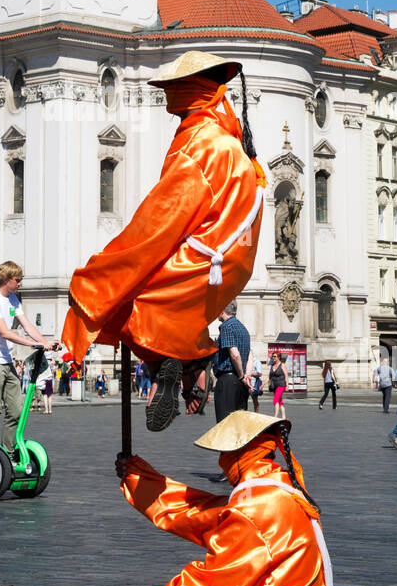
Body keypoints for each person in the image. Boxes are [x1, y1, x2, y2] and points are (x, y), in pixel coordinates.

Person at [63, 51, 266, 433]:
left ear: (192, 89)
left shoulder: (201, 144)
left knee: (125, 300)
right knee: (150, 311)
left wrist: (100, 273)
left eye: (173, 87)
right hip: (229, 265)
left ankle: (180, 363)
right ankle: (180, 364)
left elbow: (160, 221)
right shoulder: (223, 136)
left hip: (204, 258)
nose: (167, 96)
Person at [107, 411, 337, 586]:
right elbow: (198, 511)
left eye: (224, 454)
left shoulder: (252, 506)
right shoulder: (280, 487)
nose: (220, 462)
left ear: (241, 454)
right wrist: (137, 477)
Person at [0, 261, 48, 453]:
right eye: (18, 280)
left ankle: (7, 453)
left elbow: (27, 326)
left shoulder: (13, 301)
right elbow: (5, 333)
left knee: (16, 410)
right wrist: (35, 344)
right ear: (7, 280)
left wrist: (46, 342)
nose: (20, 284)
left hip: (7, 363)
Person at [211, 301, 251, 420]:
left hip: (228, 381)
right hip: (241, 384)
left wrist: (241, 375)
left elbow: (235, 355)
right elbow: (250, 355)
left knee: (225, 424)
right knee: (239, 424)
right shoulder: (243, 328)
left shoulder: (226, 326)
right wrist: (246, 376)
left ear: (223, 311)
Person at [268, 351, 288, 420]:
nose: (273, 358)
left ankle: (275, 417)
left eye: (274, 356)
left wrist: (287, 385)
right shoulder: (272, 366)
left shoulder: (282, 365)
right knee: (280, 402)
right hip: (274, 386)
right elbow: (269, 377)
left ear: (278, 357)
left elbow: (286, 376)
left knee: (275, 400)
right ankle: (284, 417)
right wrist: (263, 385)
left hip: (281, 385)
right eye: (272, 356)